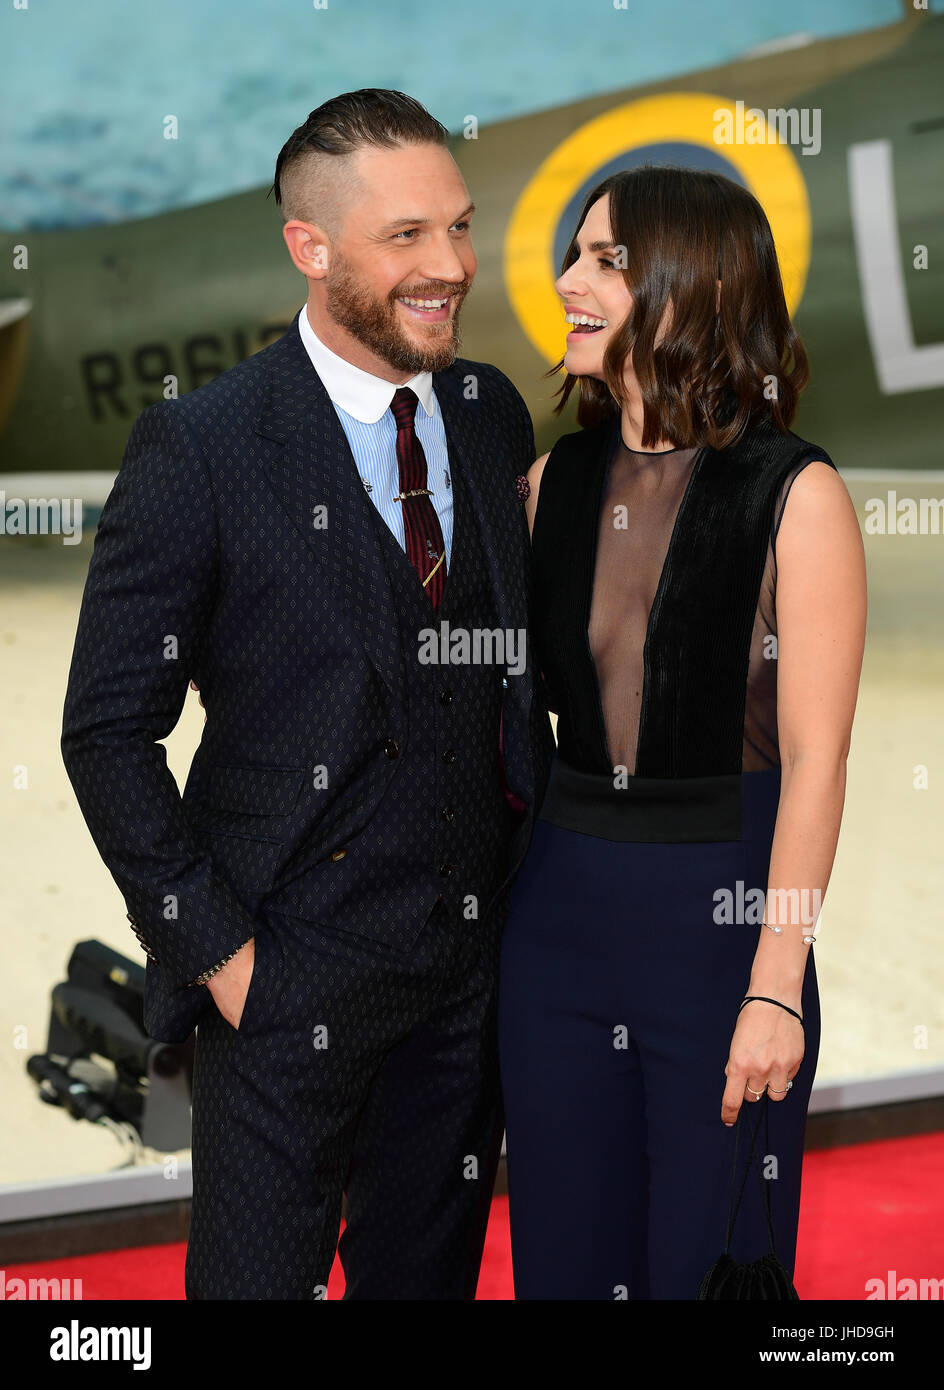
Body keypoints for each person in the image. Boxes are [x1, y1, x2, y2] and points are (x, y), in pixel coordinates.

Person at [60, 88, 553, 1300]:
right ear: (310, 247)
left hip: (465, 985)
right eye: (406, 236)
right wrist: (221, 958)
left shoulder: (488, 411)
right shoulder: (203, 447)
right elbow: (107, 730)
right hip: (282, 983)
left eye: (459, 226)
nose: (451, 266)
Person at [497, 165, 867, 1299]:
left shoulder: (794, 495)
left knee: (708, 1267)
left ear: (697, 286)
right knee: (564, 1259)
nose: (568, 281)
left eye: (606, 261)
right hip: (552, 930)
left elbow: (816, 763)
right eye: (574, 254)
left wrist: (775, 981)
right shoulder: (548, 483)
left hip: (722, 941)